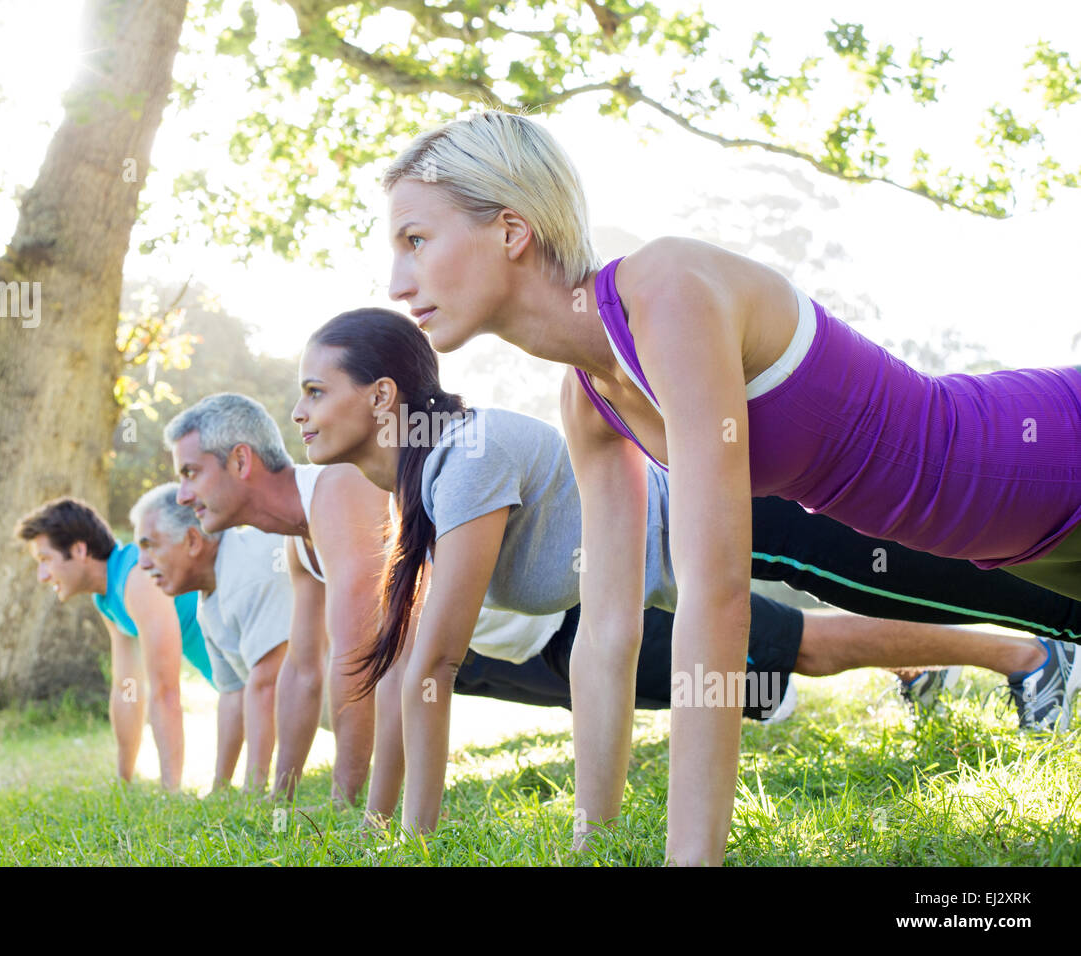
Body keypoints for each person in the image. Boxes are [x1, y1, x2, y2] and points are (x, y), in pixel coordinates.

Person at [380, 110, 1081, 864]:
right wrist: (593, 844)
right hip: (1010, 544)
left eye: (415, 240)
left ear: (511, 230)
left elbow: (716, 599)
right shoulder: (589, 398)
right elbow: (608, 632)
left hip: (1037, 457)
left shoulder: (666, 289)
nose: (395, 282)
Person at [295, 306, 1081, 837]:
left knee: (979, 567)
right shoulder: (424, 484)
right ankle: (1015, 649)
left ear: (383, 395)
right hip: (702, 548)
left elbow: (432, 666)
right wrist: (379, 824)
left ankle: (1048, 650)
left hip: (754, 516)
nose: (299, 411)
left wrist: (408, 842)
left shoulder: (466, 459)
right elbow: (410, 669)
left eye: (314, 391)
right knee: (912, 586)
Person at [163, 393, 395, 808]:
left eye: (191, 473)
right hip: (490, 658)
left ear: (240, 461)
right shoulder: (298, 541)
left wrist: (341, 803)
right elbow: (304, 671)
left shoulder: (338, 484)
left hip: (539, 635)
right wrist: (279, 798)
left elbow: (355, 654)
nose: (182, 495)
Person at [15, 497, 214, 792]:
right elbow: (127, 689)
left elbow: (165, 692)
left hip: (262, 672)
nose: (42, 576)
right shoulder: (107, 597)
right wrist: (124, 782)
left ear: (79, 550)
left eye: (45, 560)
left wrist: (170, 792)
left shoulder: (139, 578)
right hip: (240, 681)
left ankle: (173, 788)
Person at [130, 483, 289, 791]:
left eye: (150, 546)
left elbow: (266, 685)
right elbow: (233, 692)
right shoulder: (208, 594)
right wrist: (221, 787)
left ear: (192, 540)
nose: (143, 563)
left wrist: (253, 792)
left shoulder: (249, 573)